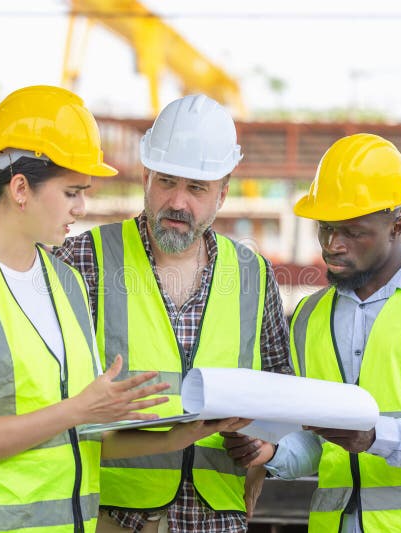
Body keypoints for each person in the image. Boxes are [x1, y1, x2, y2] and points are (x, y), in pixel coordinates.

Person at [0, 85, 246, 533]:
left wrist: (179, 435)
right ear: (21, 188)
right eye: (71, 192)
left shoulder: (64, 283)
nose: (82, 208)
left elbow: (77, 437)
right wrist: (78, 410)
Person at [224, 133, 401, 532]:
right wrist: (272, 451)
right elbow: (315, 442)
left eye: (352, 232)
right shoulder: (309, 316)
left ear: (396, 226)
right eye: (325, 228)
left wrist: (376, 437)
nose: (333, 245)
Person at [53, 94, 293, 533]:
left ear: (223, 192)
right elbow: (48, 395)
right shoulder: (84, 258)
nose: (178, 202)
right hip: (115, 517)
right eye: (166, 182)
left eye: (197, 188)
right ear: (146, 176)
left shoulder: (253, 274)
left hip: (216, 519)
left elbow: (281, 391)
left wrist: (265, 453)